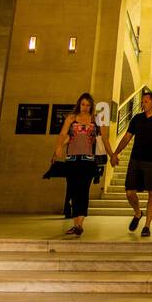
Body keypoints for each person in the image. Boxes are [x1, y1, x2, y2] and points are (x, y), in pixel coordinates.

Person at [110, 90, 152, 237]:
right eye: (142, 101)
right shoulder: (137, 119)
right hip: (135, 160)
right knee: (129, 192)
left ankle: (147, 226)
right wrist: (115, 153)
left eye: (146, 101)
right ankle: (138, 213)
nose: (143, 104)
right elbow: (126, 138)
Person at [54, 98, 112, 237]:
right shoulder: (71, 118)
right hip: (72, 159)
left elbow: (104, 138)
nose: (85, 107)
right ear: (79, 104)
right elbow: (63, 134)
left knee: (83, 191)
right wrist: (58, 148)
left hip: (88, 160)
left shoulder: (96, 119)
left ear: (91, 106)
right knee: (73, 191)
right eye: (83, 104)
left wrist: (112, 154)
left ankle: (80, 223)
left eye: (88, 105)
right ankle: (76, 224)